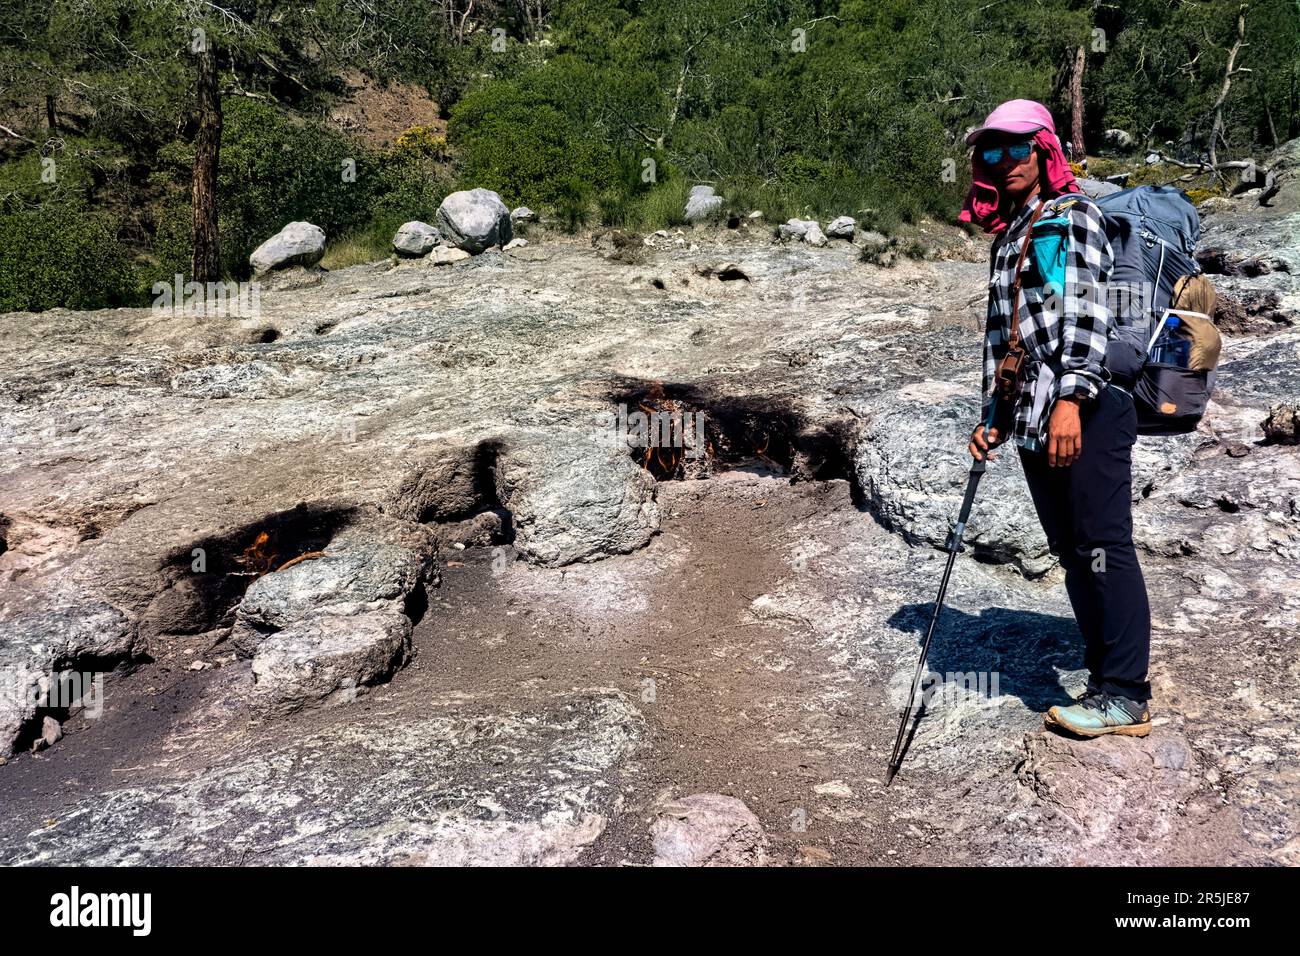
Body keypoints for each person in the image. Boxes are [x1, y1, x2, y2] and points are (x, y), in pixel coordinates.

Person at [959, 98, 1153, 737]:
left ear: (1045, 150)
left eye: (1017, 147)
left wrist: (1071, 398)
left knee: (1103, 545)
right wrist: (996, 416)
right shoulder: (1014, 229)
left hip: (1086, 410)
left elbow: (1086, 314)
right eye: (991, 150)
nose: (1003, 160)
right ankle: (1103, 679)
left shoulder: (1070, 218)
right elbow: (1011, 338)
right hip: (1035, 416)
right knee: (1074, 553)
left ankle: (1124, 694)